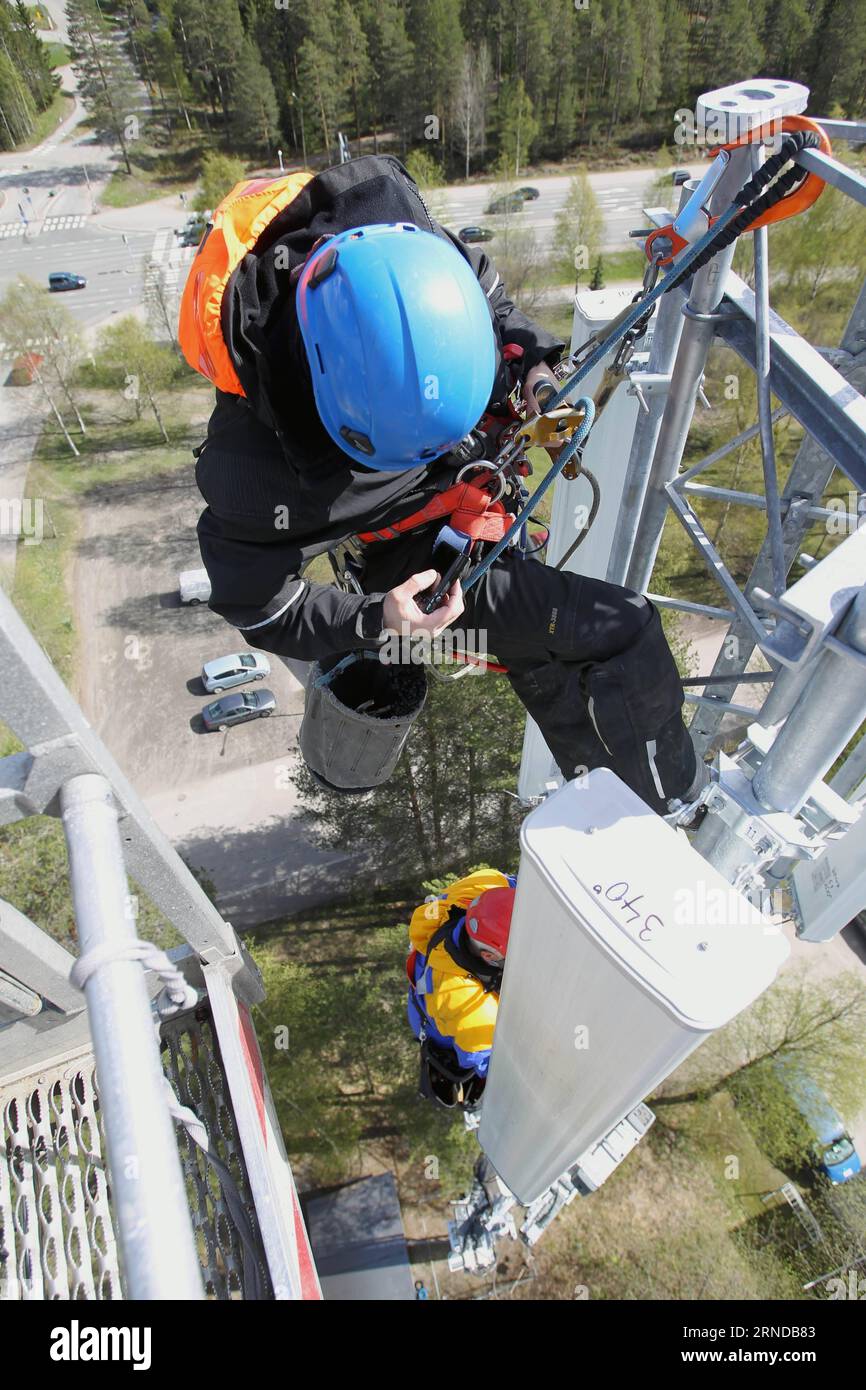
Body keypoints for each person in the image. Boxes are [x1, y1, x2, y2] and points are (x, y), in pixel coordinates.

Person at [181, 153, 706, 815]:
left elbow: (502, 317)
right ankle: (674, 798)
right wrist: (379, 619)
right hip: (411, 568)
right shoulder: (254, 470)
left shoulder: (416, 251)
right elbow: (261, 608)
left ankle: (601, 787)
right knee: (626, 628)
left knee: (537, 652)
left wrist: (534, 377)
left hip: (464, 495)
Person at [406, 869, 515, 1112]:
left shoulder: (487, 887)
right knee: (466, 1075)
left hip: (428, 993)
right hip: (440, 1029)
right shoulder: (469, 1007)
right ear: (488, 956)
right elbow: (496, 1067)